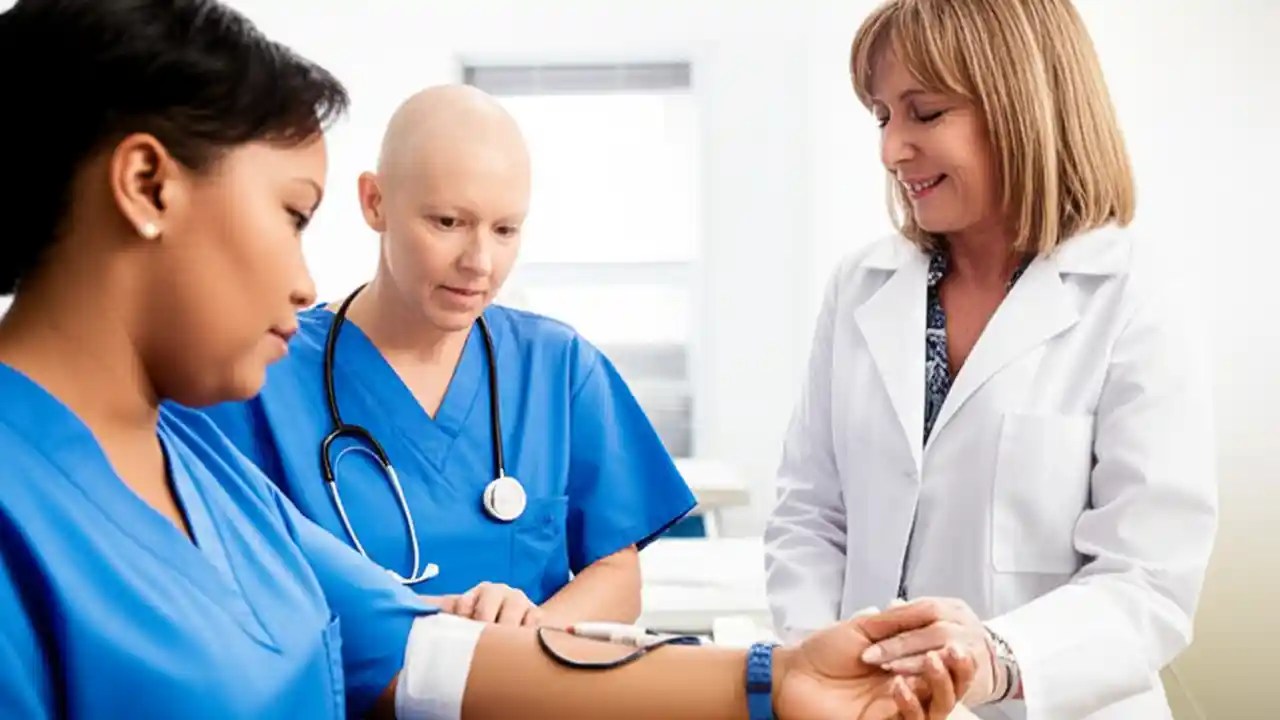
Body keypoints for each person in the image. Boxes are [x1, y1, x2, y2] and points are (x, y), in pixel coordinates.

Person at [0, 1, 976, 718]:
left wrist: (774, 680)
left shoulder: (206, 477)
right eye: (293, 216)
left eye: (505, 226)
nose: (305, 285)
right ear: (144, 185)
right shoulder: (26, 511)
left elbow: (424, 654)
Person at [763, 0, 1218, 718]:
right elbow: (810, 516)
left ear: (1022, 107)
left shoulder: (1128, 295)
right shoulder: (861, 287)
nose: (891, 150)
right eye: (883, 116)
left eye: (926, 112)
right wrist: (824, 654)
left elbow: (1147, 583)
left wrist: (996, 660)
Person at [198, 83, 695, 628]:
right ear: (375, 201)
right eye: (448, 223)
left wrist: (523, 641)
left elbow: (616, 575)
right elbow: (227, 587)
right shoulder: (266, 376)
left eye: (505, 230)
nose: (480, 261)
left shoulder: (558, 368)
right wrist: (423, 630)